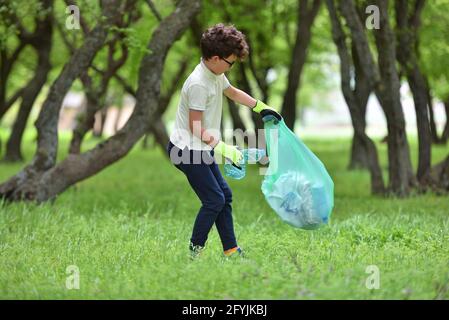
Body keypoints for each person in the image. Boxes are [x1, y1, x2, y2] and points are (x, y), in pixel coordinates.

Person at [166, 23, 281, 258]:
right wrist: (224, 148)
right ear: (216, 58)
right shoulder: (199, 83)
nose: (232, 66)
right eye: (230, 62)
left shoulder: (216, 74)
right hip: (186, 150)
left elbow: (233, 93)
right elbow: (195, 126)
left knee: (224, 196)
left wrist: (262, 107)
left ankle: (230, 249)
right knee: (213, 200)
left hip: (201, 147)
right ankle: (194, 252)